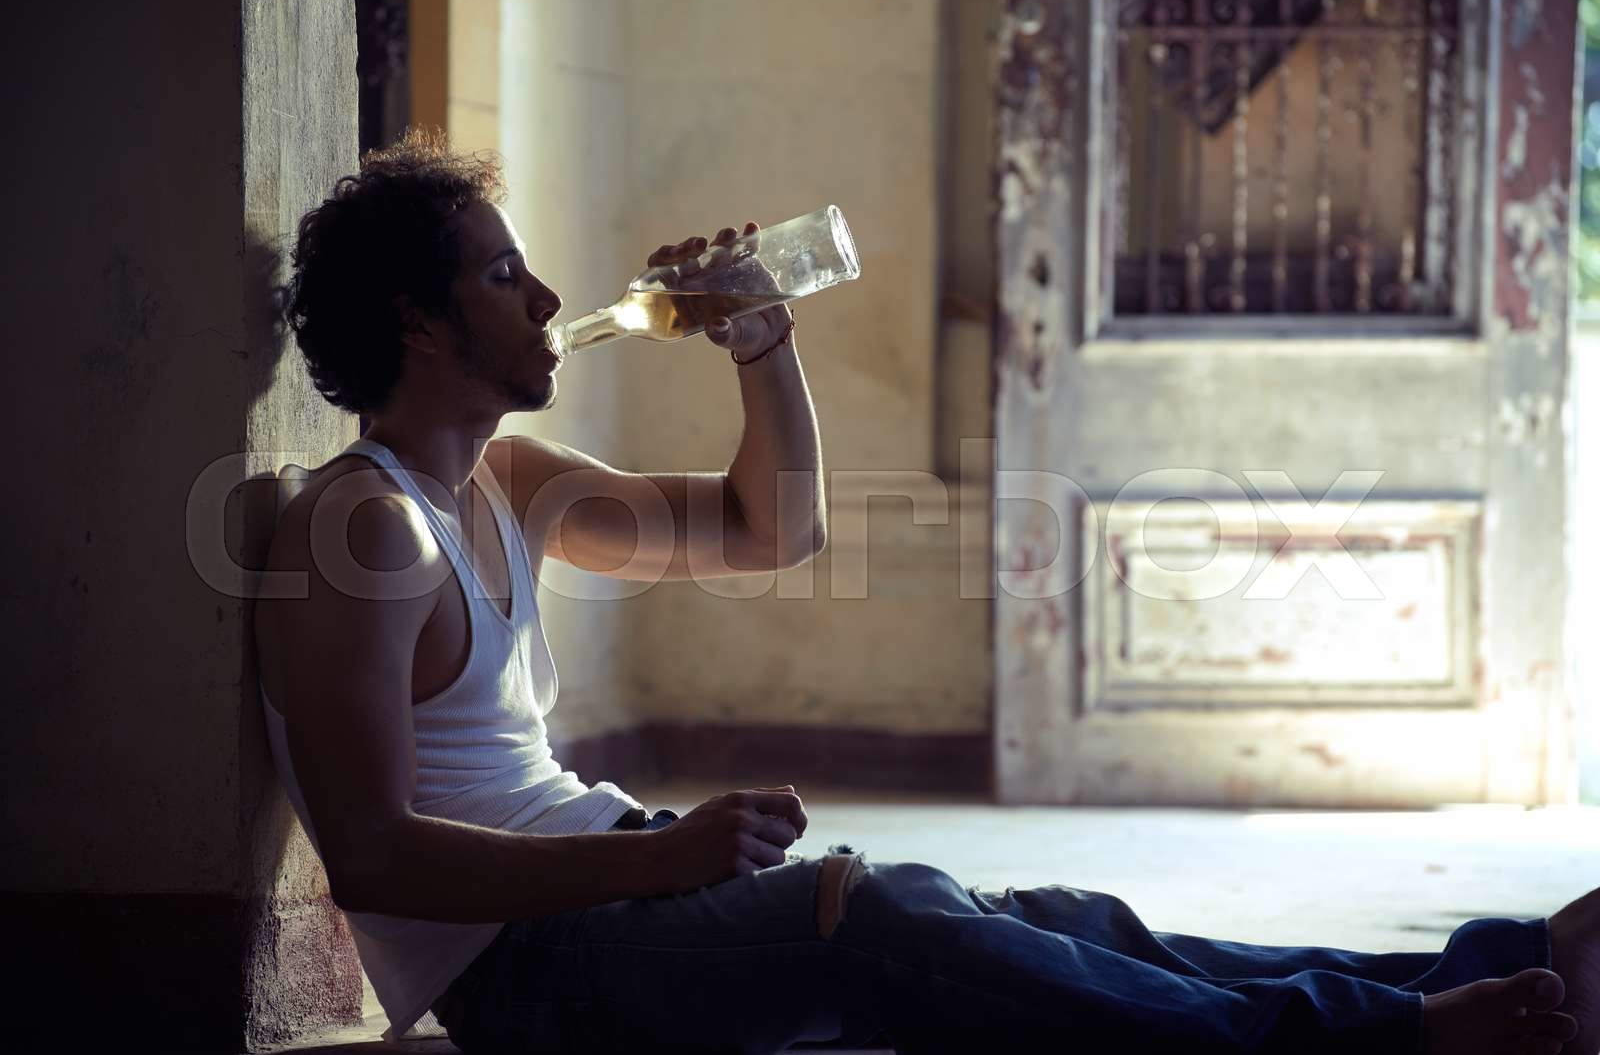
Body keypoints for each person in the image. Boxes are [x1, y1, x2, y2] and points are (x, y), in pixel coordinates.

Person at [254, 129, 1596, 1054]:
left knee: (1039, 921)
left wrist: (760, 340)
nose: (547, 294)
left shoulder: (511, 482)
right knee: (878, 914)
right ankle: (1391, 1041)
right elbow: (374, 854)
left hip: (605, 882)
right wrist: (654, 856)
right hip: (528, 976)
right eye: (502, 274)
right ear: (420, 323)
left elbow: (770, 529)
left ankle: (1493, 966)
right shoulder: (362, 531)